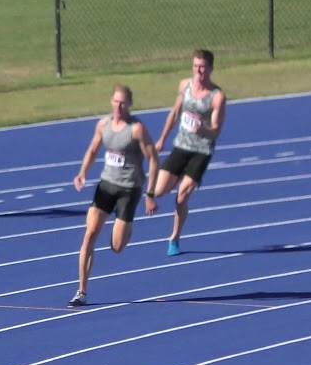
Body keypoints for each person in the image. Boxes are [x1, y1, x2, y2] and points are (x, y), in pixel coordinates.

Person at [68, 85, 160, 307]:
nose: (119, 107)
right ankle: (81, 291)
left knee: (117, 247)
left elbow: (154, 159)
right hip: (106, 185)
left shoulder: (136, 129)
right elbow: (92, 150)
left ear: (129, 104)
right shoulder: (103, 124)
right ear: (111, 101)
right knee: (89, 234)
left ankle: (125, 226)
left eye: (123, 103)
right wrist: (82, 173)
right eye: (116, 102)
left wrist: (150, 193)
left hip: (128, 189)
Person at [152, 49, 226, 256]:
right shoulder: (185, 86)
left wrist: (203, 129)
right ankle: (183, 177)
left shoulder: (217, 97)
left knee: (182, 197)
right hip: (181, 146)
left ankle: (174, 238)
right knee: (158, 191)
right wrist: (162, 139)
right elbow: (175, 113)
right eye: (195, 66)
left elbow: (216, 130)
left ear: (210, 68)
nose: (198, 71)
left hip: (201, 150)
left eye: (202, 67)